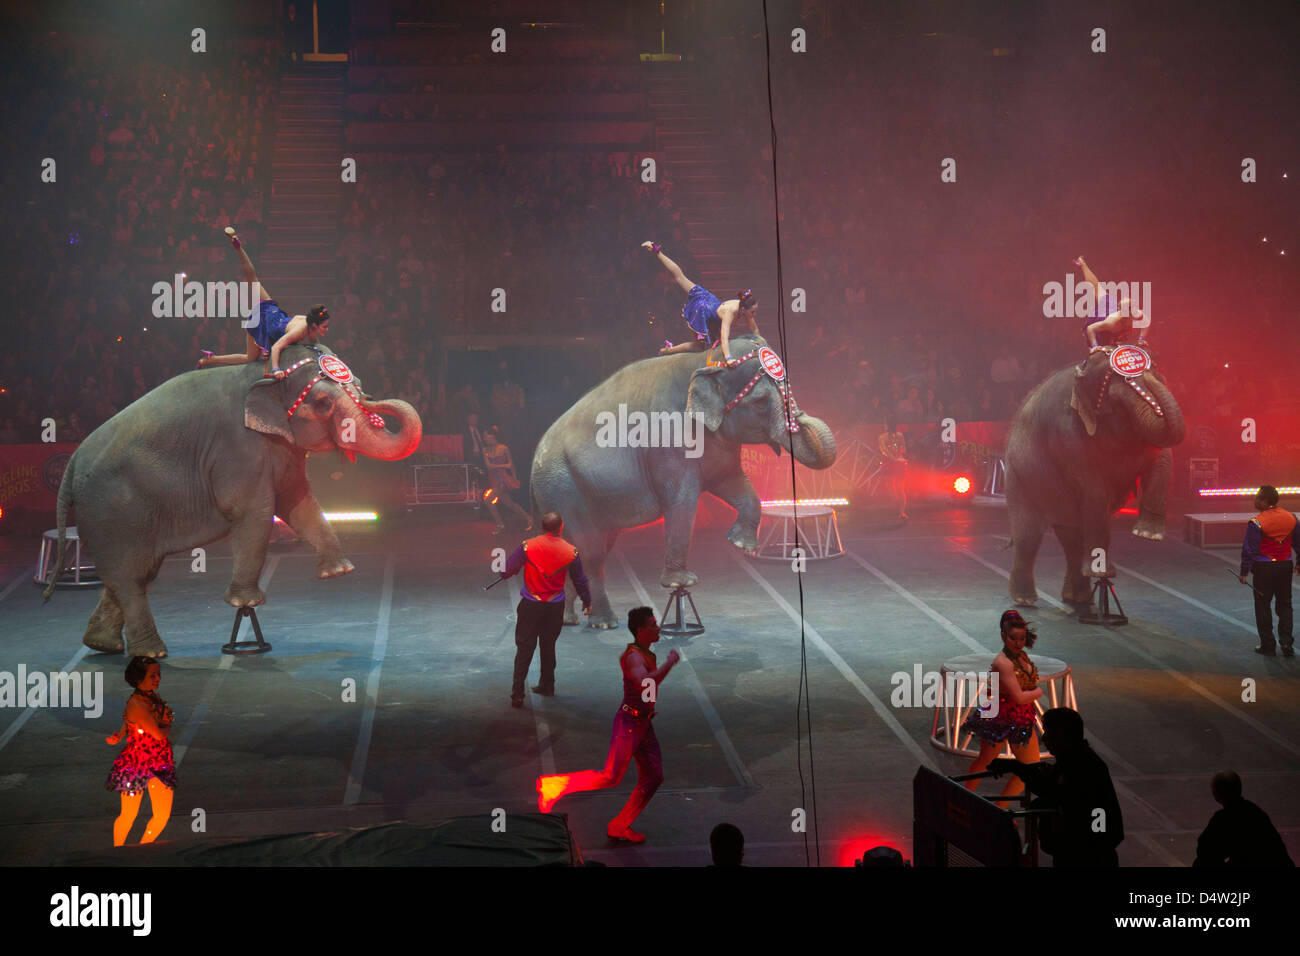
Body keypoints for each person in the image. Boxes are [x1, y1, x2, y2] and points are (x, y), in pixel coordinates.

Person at [536, 607, 680, 843]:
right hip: (629, 723)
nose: (658, 628)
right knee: (610, 776)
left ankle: (619, 825)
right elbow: (644, 683)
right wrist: (668, 665)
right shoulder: (634, 656)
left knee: (653, 776)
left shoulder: (647, 654)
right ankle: (555, 786)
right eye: (653, 625)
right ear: (641, 630)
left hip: (643, 724)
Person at [990, 707, 1124, 867]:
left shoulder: (1084, 766)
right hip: (1077, 851)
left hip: (1085, 856)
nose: (1045, 739)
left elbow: (1055, 792)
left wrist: (1018, 768)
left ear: (1066, 736)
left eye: (1051, 734)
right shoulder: (1073, 759)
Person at [198, 226, 331, 378]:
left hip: (272, 312)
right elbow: (276, 348)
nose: (327, 329)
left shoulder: (308, 325)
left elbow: (317, 345)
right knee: (249, 358)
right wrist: (276, 369)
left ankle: (238, 247)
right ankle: (211, 360)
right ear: (314, 325)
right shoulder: (300, 331)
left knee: (253, 280)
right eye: (325, 326)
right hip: (262, 322)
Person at [500, 511, 591, 707]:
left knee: (525, 648)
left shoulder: (527, 546)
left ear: (542, 527)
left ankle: (517, 694)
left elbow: (506, 570)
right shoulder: (571, 551)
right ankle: (547, 686)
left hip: (530, 604)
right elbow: (580, 580)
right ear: (561, 527)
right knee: (548, 646)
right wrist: (587, 600)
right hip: (554, 606)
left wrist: (508, 572)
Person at [962, 610, 1044, 807]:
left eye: (1022, 638)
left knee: (1030, 769)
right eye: (1013, 638)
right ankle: (962, 802)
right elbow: (1019, 696)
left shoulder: (1021, 656)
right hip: (1000, 719)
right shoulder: (1003, 663)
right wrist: (1038, 692)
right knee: (985, 764)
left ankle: (999, 810)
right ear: (1003, 636)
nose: (1018, 643)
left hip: (1021, 718)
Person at [642, 241, 758, 366]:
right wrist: (728, 357)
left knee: (681, 277)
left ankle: (657, 252)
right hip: (701, 309)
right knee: (699, 346)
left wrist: (764, 348)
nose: (754, 314)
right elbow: (724, 337)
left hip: (709, 299)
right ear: (744, 310)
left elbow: (754, 329)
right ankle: (668, 350)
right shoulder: (730, 312)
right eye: (752, 312)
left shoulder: (744, 306)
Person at [105, 657, 177, 846]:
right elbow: (159, 734)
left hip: (159, 761)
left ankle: (142, 850)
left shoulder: (147, 696)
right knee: (129, 815)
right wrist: (169, 722)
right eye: (152, 675)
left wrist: (120, 735)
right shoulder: (138, 704)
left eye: (158, 674)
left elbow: (131, 721)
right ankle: (118, 851)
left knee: (162, 815)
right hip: (136, 765)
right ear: (139, 679)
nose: (158, 679)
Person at [1240, 485, 1299, 656]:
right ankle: (1287, 644)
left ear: (1264, 501)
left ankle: (1268, 645)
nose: (1255, 500)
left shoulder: (1257, 522)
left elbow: (1249, 549)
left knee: (1263, 606)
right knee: (1285, 605)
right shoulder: (1291, 518)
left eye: (1258, 497)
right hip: (1285, 566)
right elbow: (1299, 543)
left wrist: (1244, 572)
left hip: (1264, 568)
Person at [1193, 770, 1294, 867]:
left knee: (1201, 863)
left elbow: (1204, 849)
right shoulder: (1255, 811)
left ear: (1216, 794)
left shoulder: (1224, 817)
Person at [1074, 255, 1149, 352]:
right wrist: (1094, 346)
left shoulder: (1136, 314)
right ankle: (1083, 265)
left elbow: (1146, 322)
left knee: (1097, 288)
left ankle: (1083, 264)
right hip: (1104, 313)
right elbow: (1090, 329)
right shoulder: (1111, 323)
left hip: (1111, 306)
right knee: (1095, 288)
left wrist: (1141, 338)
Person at [482, 425, 531, 535]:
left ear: (493, 436)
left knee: (488, 500)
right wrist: (504, 465)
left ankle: (500, 524)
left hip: (502, 479)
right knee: (509, 503)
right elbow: (489, 466)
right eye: (484, 436)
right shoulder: (485, 449)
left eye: (486, 435)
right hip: (493, 479)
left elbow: (511, 465)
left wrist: (514, 479)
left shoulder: (504, 448)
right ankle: (529, 518)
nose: (484, 438)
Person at [878, 414, 908, 520]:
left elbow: (902, 449)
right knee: (895, 488)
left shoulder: (895, 436)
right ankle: (899, 509)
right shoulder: (885, 437)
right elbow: (885, 450)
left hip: (894, 463)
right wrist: (896, 457)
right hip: (894, 462)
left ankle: (901, 511)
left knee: (896, 488)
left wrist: (895, 457)